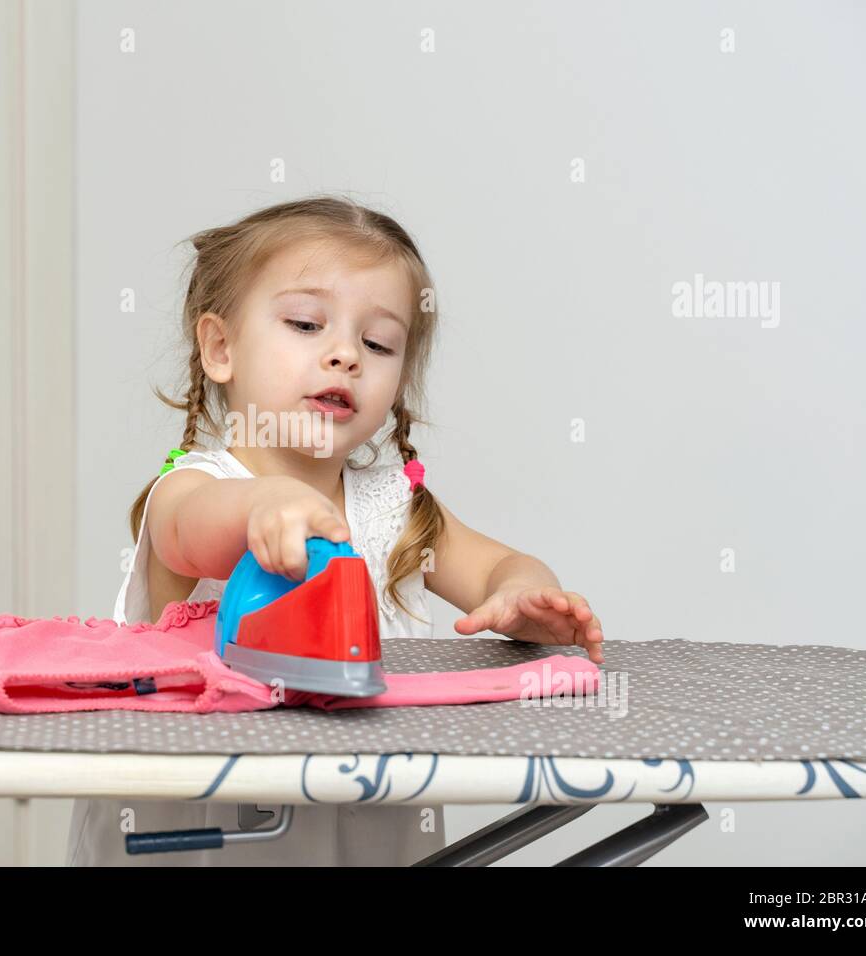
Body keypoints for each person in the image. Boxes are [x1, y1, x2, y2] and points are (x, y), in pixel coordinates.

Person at [66, 195, 605, 866]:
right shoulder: (196, 483)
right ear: (221, 347)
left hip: (367, 824)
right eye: (305, 323)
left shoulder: (395, 509)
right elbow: (187, 532)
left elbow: (501, 568)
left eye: (378, 343)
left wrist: (525, 600)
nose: (346, 355)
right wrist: (262, 508)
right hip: (202, 830)